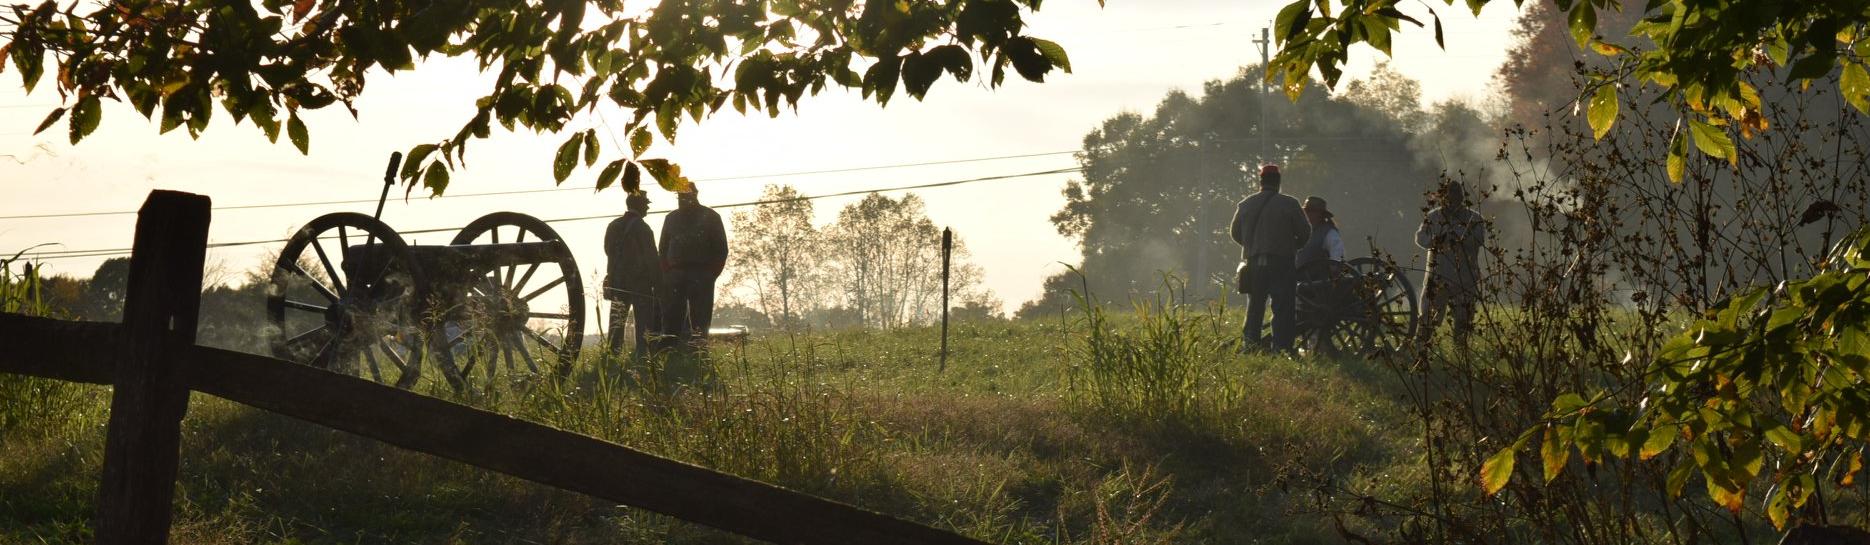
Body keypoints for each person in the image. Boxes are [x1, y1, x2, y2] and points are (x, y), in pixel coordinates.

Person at [1231, 164, 1310, 354]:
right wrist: (1292, 246)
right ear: (1278, 182)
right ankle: (1281, 349)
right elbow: (1305, 233)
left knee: (1255, 307)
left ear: (1261, 182)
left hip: (1254, 262)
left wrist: (1251, 246)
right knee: (1283, 308)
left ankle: (1250, 347)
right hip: (1282, 262)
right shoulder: (1290, 204)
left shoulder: (1245, 205)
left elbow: (1235, 233)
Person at [1415, 182, 1487, 349]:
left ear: (1461, 198)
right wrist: (1437, 239)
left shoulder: (1474, 219)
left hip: (1465, 279)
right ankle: (1420, 349)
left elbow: (1479, 240)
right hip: (1438, 276)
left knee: (1463, 319)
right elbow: (1420, 238)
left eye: (1456, 198)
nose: (1453, 202)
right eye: (1449, 198)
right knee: (1427, 316)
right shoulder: (1433, 217)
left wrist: (1459, 238)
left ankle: (1460, 352)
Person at [659, 186, 728, 349]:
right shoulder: (672, 218)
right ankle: (674, 350)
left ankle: (697, 352)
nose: (681, 199)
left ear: (693, 195)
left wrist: (711, 274)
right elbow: (662, 249)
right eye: (680, 196)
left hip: (700, 273)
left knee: (699, 319)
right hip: (680, 274)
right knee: (673, 317)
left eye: (684, 195)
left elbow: (721, 250)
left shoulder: (710, 217)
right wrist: (668, 272)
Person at [603, 191, 661, 357]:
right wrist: (658, 284)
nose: (648, 208)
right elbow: (652, 258)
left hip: (617, 280)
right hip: (640, 282)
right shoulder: (643, 228)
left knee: (616, 321)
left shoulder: (613, 225)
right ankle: (643, 355)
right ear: (639, 205)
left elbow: (608, 251)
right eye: (646, 204)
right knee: (643, 322)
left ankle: (613, 355)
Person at [1294, 196, 1345, 275]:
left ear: (1320, 214)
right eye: (1306, 211)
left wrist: (1333, 270)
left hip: (1318, 281)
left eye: (1312, 211)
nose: (1307, 214)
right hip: (1297, 279)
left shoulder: (1329, 233)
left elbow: (1337, 256)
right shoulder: (1299, 230)